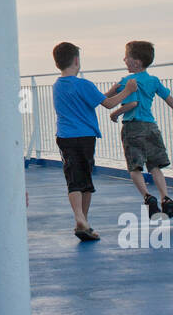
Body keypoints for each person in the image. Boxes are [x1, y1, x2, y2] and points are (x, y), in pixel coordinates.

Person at [51, 42, 138, 241]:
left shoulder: (58, 85)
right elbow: (107, 105)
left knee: (73, 178)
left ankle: (83, 223)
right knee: (85, 181)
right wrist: (127, 91)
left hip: (65, 137)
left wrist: (110, 91)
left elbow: (94, 99)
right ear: (76, 60)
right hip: (85, 137)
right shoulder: (84, 84)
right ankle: (82, 219)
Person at [107, 41, 173, 218]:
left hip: (133, 126)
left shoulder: (127, 81)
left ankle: (147, 196)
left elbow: (129, 104)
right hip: (151, 127)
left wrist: (115, 113)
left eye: (127, 56)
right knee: (155, 166)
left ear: (136, 62)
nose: (124, 59)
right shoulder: (153, 80)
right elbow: (168, 98)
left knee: (134, 167)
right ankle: (165, 197)